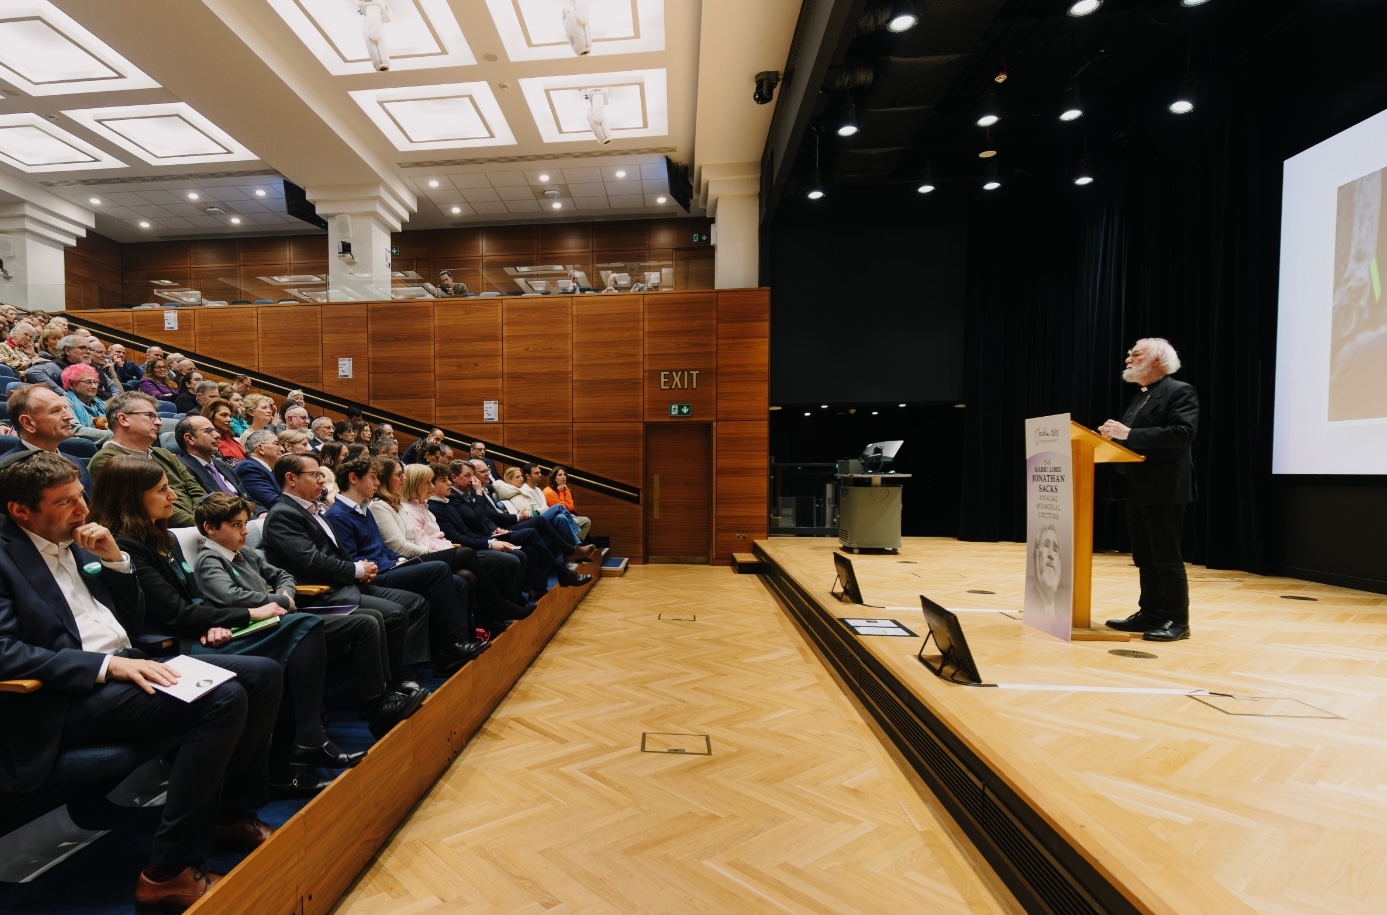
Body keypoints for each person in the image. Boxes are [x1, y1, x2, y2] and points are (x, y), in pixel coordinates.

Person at [0, 450, 281, 912]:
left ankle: (228, 815)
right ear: (20, 510)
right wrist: (106, 667)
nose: (83, 510)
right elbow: (6, 652)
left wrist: (115, 563)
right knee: (222, 699)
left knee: (262, 675)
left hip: (125, 665)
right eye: (66, 502)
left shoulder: (77, 541)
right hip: (62, 697)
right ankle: (167, 872)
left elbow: (130, 623)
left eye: (81, 497)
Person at [89, 456, 363, 785]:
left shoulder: (163, 539)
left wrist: (212, 621)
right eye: (162, 490)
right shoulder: (126, 546)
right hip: (171, 646)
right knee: (299, 627)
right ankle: (304, 742)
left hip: (203, 631)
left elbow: (193, 599)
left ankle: (299, 746)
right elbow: (172, 614)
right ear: (132, 496)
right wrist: (248, 613)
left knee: (299, 632)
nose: (173, 497)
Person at [260, 453, 429, 736]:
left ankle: (393, 687)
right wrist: (355, 570)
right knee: (382, 616)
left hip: (339, 586)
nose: (322, 479)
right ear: (291, 479)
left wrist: (360, 569)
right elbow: (311, 561)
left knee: (400, 609)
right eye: (314, 474)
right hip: (318, 595)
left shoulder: (311, 509)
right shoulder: (283, 515)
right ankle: (375, 702)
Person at [1099, 337, 1199, 642]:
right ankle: (1150, 613)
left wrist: (1128, 433)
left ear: (1157, 361)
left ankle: (1177, 621)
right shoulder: (1142, 395)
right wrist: (1110, 436)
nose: (1128, 359)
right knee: (1144, 556)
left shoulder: (1180, 391)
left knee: (1166, 557)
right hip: (1137, 488)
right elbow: (1132, 438)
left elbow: (1182, 433)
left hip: (1164, 489)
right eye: (1129, 355)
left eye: (1136, 355)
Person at [61, 362, 112, 443]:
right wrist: (114, 434)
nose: (94, 386)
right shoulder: (64, 403)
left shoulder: (99, 403)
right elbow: (75, 430)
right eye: (88, 382)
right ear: (71, 385)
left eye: (95, 382)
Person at [544, 465, 591, 540]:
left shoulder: (563, 489)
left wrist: (566, 491)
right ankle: (575, 545)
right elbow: (561, 509)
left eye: (564, 475)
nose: (563, 477)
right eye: (560, 475)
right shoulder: (548, 491)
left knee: (587, 521)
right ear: (553, 478)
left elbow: (570, 507)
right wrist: (561, 493)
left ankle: (577, 544)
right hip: (557, 519)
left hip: (566, 515)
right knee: (579, 523)